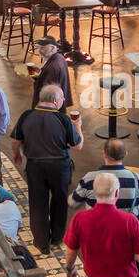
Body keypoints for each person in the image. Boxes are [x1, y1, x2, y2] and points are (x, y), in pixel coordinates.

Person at [11, 83, 83, 255]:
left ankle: (41, 243)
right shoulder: (63, 119)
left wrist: (18, 155)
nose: (63, 101)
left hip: (35, 166)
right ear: (55, 100)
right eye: (62, 98)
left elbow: (15, 140)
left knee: (37, 203)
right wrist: (78, 125)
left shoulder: (26, 115)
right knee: (59, 201)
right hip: (59, 167)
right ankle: (57, 238)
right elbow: (78, 146)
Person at [30, 36, 73, 108]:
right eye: (38, 47)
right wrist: (41, 72)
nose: (39, 50)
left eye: (42, 48)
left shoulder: (52, 68)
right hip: (59, 102)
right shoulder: (60, 57)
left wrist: (35, 78)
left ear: (52, 48)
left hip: (50, 108)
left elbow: (47, 93)